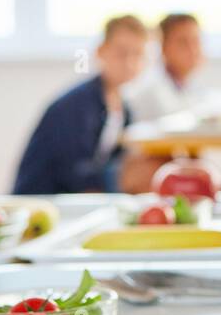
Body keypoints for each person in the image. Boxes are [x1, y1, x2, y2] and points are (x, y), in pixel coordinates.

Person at [12, 15, 148, 195]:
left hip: (80, 200)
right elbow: (73, 173)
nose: (129, 63)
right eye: (121, 53)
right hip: (45, 200)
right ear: (101, 51)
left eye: (137, 54)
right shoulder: (76, 104)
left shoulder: (124, 109)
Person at [122, 13, 204, 122]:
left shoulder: (190, 84)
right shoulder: (149, 91)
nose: (193, 50)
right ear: (163, 47)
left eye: (196, 41)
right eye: (183, 42)